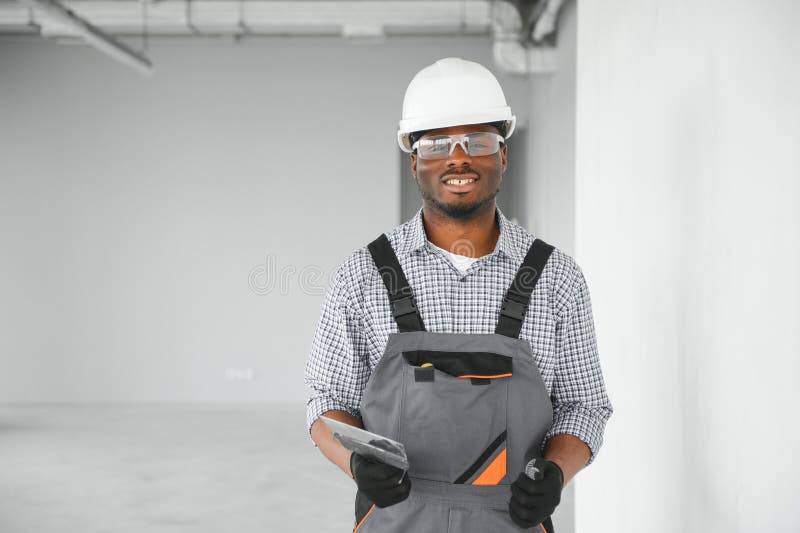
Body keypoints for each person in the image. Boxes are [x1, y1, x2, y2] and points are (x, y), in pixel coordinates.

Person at [304, 57, 613, 533]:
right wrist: (355, 464)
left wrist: (555, 473)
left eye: (479, 141)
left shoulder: (557, 279)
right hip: (395, 521)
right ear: (415, 162)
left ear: (503, 155)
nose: (458, 157)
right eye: (436, 143)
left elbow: (583, 404)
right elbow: (326, 399)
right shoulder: (360, 277)